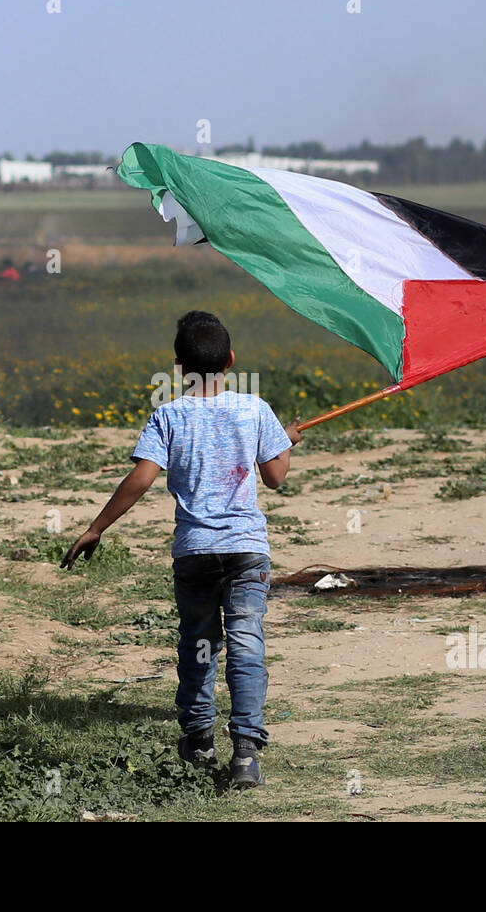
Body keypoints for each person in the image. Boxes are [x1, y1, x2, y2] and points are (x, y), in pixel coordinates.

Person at [61, 310, 302, 787]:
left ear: (178, 366)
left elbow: (140, 480)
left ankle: (197, 741)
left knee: (198, 643)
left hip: (195, 551)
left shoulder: (168, 416)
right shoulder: (255, 409)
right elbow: (275, 478)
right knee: (247, 642)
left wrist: (97, 527)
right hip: (247, 550)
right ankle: (246, 754)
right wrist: (285, 443)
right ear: (232, 360)